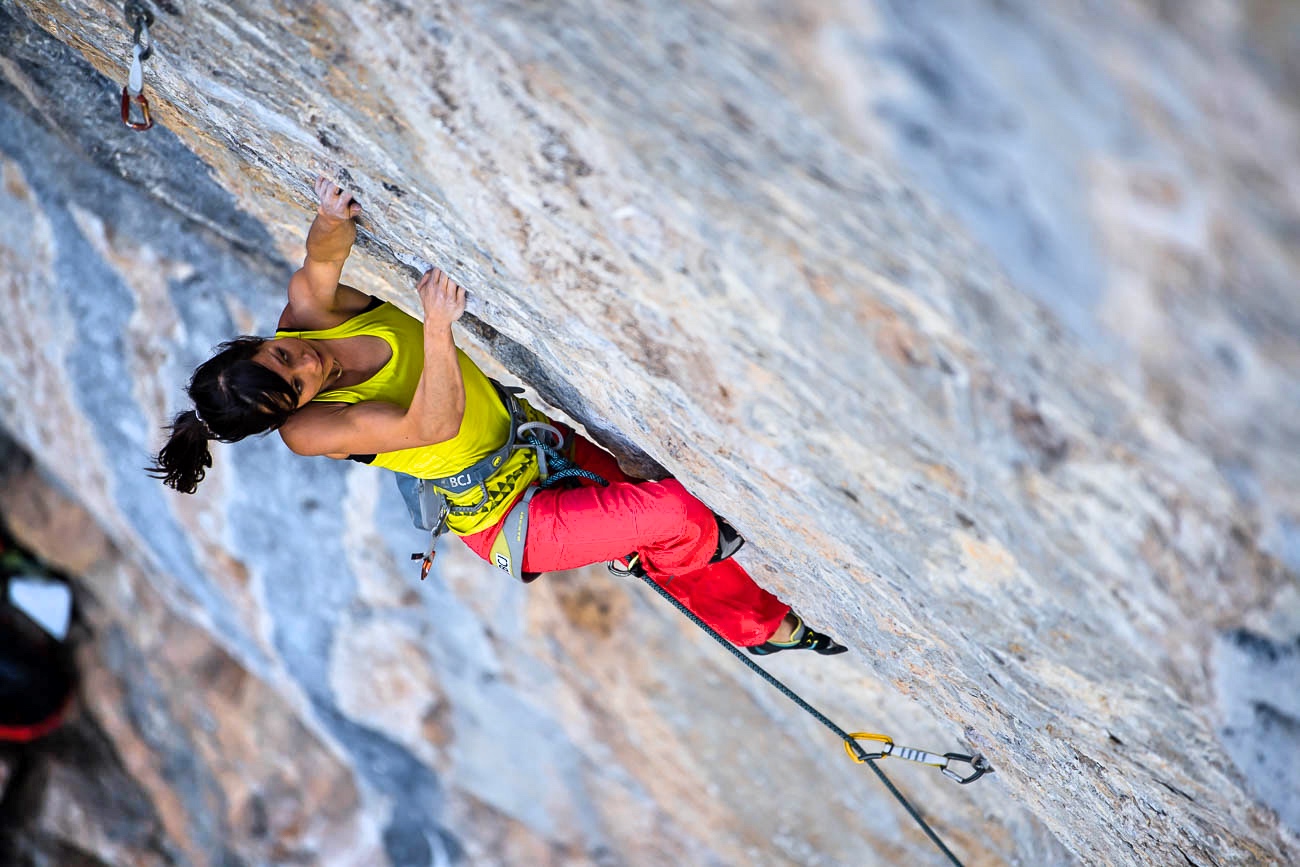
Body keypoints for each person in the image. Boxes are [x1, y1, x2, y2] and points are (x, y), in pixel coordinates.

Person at [150, 176, 845, 656]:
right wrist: (436, 326)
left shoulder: (307, 320)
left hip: (537, 446)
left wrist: (333, 216)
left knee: (671, 525)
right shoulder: (311, 433)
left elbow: (317, 260)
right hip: (510, 516)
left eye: (282, 354)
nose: (306, 363)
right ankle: (663, 559)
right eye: (294, 383)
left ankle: (764, 623)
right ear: (288, 415)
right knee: (675, 516)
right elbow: (431, 425)